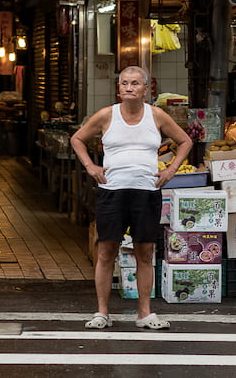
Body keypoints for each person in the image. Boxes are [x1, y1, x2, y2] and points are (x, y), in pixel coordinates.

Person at [70, 65, 193, 331]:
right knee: (106, 251)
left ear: (146, 89)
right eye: (124, 83)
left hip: (146, 192)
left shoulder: (157, 116)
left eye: (135, 83)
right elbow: (77, 139)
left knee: (145, 252)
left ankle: (145, 313)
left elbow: (185, 141)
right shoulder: (106, 115)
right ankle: (102, 312)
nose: (129, 87)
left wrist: (171, 170)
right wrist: (91, 167)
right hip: (112, 191)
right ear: (119, 89)